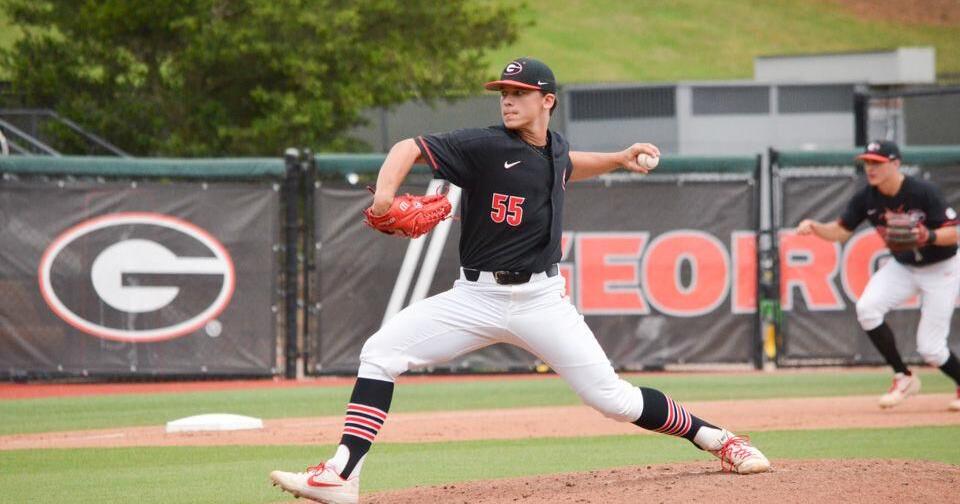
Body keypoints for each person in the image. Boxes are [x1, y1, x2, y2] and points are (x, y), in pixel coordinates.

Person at [270, 57, 770, 504]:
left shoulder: (553, 149)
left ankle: (718, 438)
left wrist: (617, 159)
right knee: (380, 353)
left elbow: (567, 165)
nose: (508, 100)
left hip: (540, 300)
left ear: (546, 101)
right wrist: (383, 196)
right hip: (475, 297)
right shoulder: (485, 146)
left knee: (612, 399)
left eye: (519, 93)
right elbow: (408, 146)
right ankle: (342, 473)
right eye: (504, 94)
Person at [797, 140, 960, 412]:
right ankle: (903, 376)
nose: (870, 168)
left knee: (931, 349)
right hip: (904, 266)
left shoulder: (923, 191)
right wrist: (815, 227)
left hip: (940, 267)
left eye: (877, 162)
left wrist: (927, 235)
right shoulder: (866, 198)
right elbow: (840, 232)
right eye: (867, 163)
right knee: (867, 308)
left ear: (895, 164)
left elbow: (953, 233)